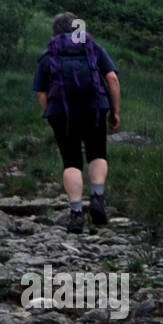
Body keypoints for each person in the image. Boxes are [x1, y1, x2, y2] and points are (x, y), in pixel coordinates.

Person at [32, 12, 120, 233]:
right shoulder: (93, 48)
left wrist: (51, 114)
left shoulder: (49, 54)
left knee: (71, 161)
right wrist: (114, 111)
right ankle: (98, 197)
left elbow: (41, 92)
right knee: (97, 153)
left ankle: (76, 213)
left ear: (55, 31)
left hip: (62, 111)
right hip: (95, 107)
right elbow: (112, 79)